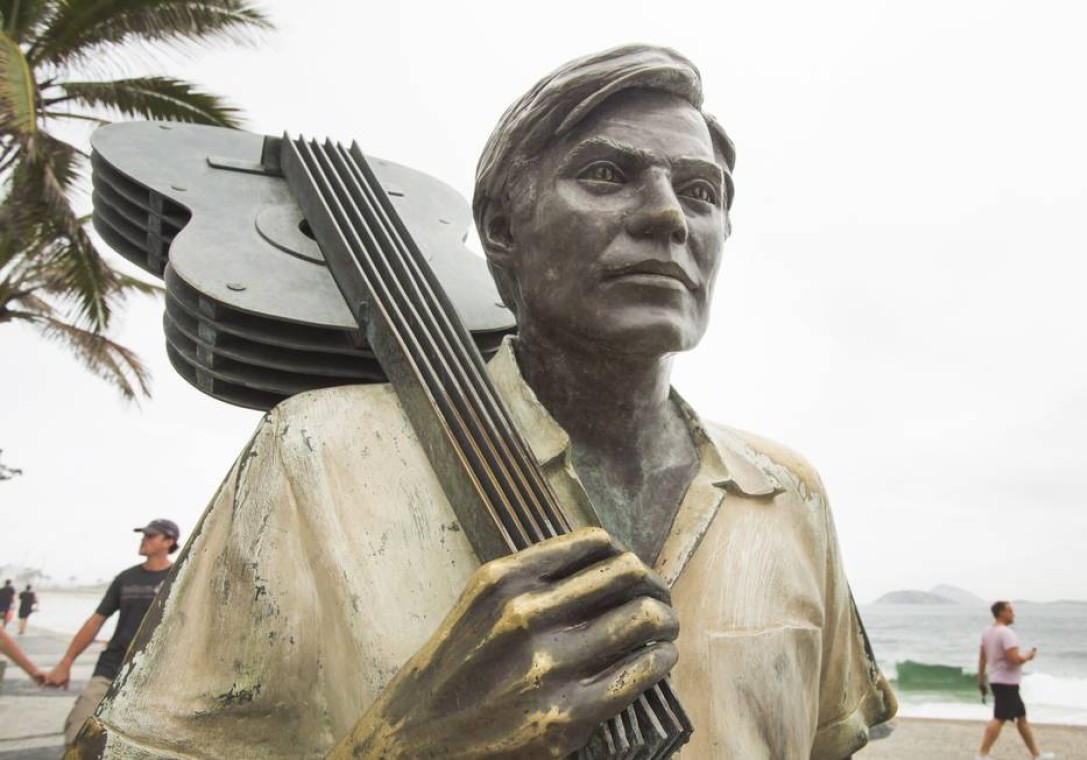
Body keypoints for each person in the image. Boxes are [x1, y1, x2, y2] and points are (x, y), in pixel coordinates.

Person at [77, 45, 895, 759]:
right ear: (502, 226)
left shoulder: (787, 493)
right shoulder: (318, 449)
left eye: (700, 191)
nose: (665, 216)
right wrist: (415, 745)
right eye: (607, 176)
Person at [49, 519, 179, 748]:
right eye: (144, 535)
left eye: (151, 536)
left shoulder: (179, 577)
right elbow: (95, 622)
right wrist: (66, 661)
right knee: (79, 733)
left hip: (154, 676)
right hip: (110, 667)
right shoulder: (125, 578)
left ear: (169, 542)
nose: (144, 540)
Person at [976, 601, 1055, 760]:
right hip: (1006, 682)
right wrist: (1028, 656)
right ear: (1001, 613)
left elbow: (982, 658)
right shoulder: (1006, 633)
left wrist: (981, 680)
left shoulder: (987, 632)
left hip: (998, 680)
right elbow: (1015, 659)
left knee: (1021, 718)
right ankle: (982, 755)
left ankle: (1036, 755)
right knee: (999, 718)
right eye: (1010, 611)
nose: (1013, 614)